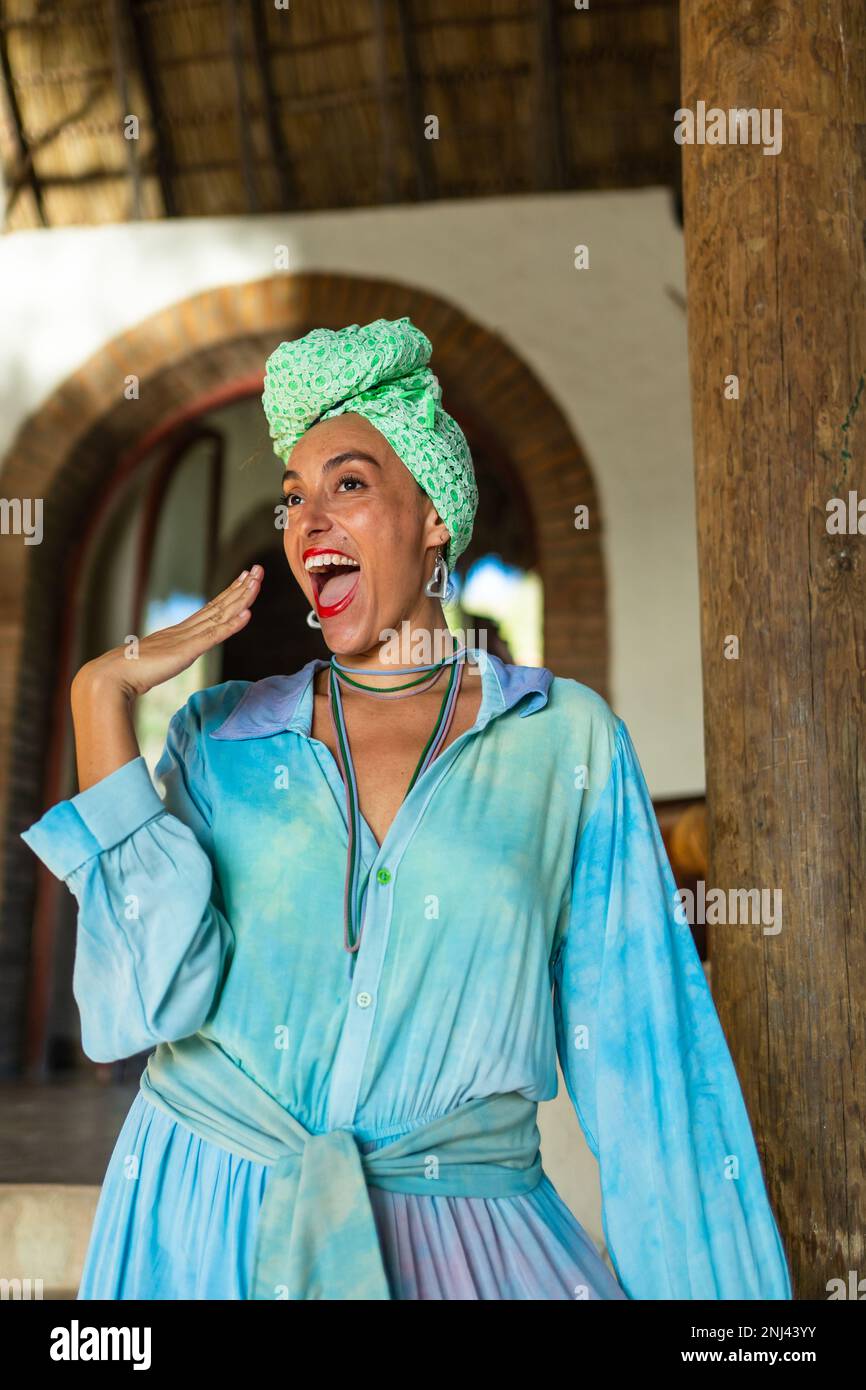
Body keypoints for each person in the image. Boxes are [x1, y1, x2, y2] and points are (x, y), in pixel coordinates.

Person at [21, 317, 792, 1301]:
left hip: (462, 1240)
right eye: (292, 498)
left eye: (347, 485)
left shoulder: (562, 739)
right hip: (199, 1221)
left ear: (433, 515)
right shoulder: (223, 737)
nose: (307, 523)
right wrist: (102, 692)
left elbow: (648, 1063)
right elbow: (137, 1010)